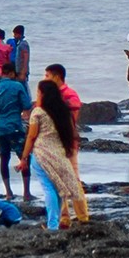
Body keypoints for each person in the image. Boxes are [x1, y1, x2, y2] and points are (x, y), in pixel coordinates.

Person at [21, 78, 88, 230]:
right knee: (58, 190)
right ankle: (55, 222)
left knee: (48, 188)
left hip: (41, 155)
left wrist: (24, 157)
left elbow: (31, 137)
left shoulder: (38, 112)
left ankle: (52, 224)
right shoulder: (63, 111)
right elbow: (71, 132)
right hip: (59, 155)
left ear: (43, 94)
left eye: (38, 92)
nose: (37, 95)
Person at [0, 64, 34, 198]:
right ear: (12, 73)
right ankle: (26, 192)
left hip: (1, 127)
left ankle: (8, 192)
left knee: (4, 158)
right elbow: (26, 105)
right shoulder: (18, 87)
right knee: (24, 158)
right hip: (15, 126)